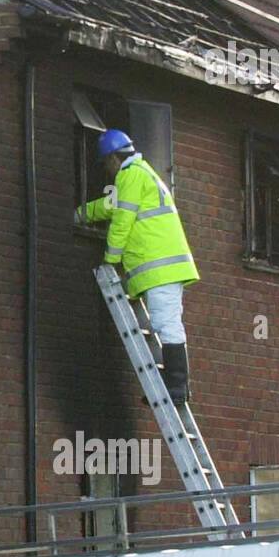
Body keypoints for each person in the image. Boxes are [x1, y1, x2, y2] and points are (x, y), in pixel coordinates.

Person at [74, 129, 199, 403]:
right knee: (165, 323)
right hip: (163, 267)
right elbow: (112, 206)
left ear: (113, 158)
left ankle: (177, 388)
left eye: (106, 163)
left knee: (166, 324)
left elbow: (121, 222)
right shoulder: (140, 174)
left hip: (160, 268)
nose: (107, 170)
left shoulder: (130, 176)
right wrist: (81, 213)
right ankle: (175, 386)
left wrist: (110, 260)